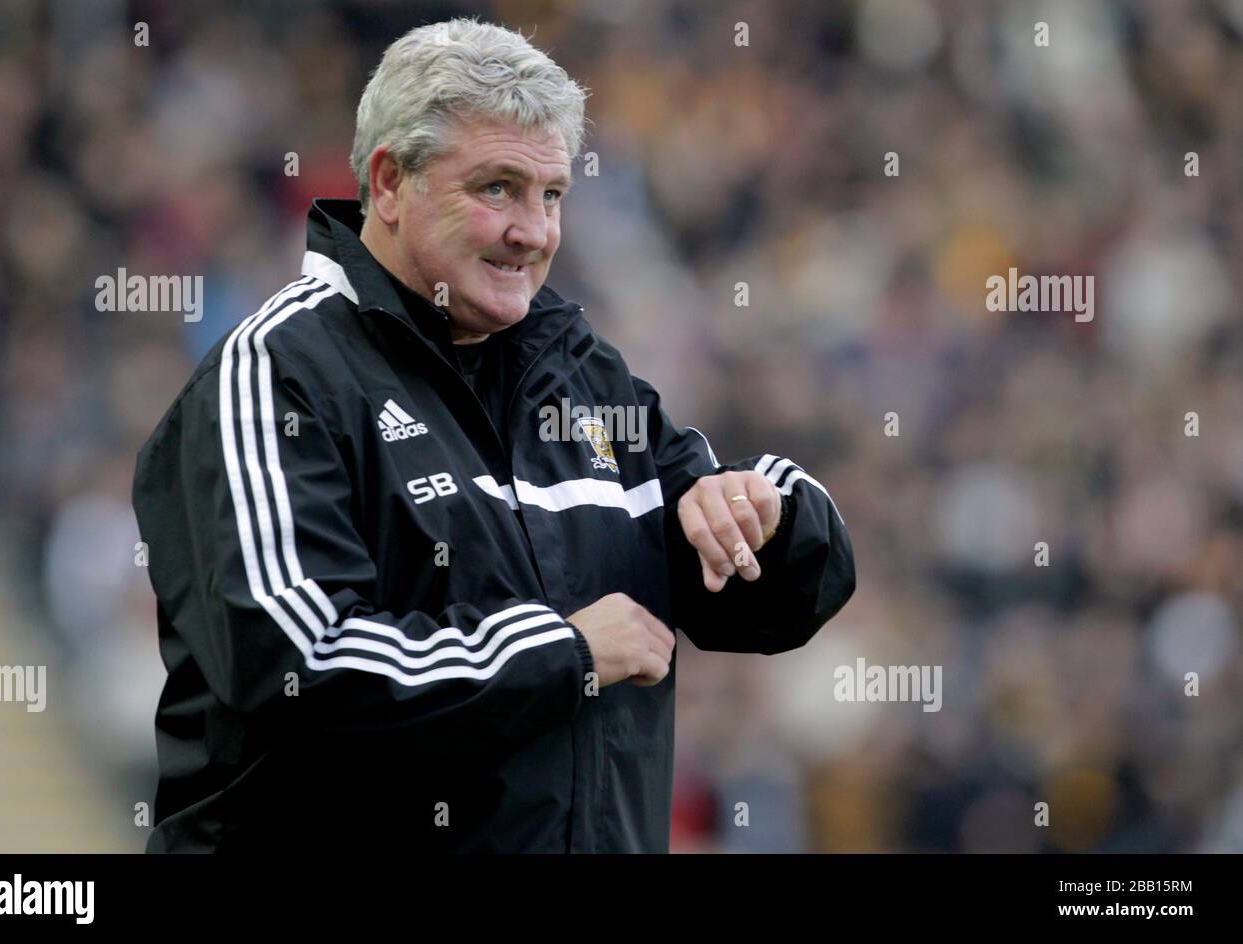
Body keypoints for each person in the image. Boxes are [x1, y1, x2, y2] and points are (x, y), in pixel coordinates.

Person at [132, 16, 855, 853]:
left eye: (551, 195)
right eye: (497, 189)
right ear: (390, 182)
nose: (535, 231)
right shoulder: (276, 372)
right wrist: (563, 650)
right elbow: (296, 666)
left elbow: (766, 601)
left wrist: (769, 508)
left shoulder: (582, 375)